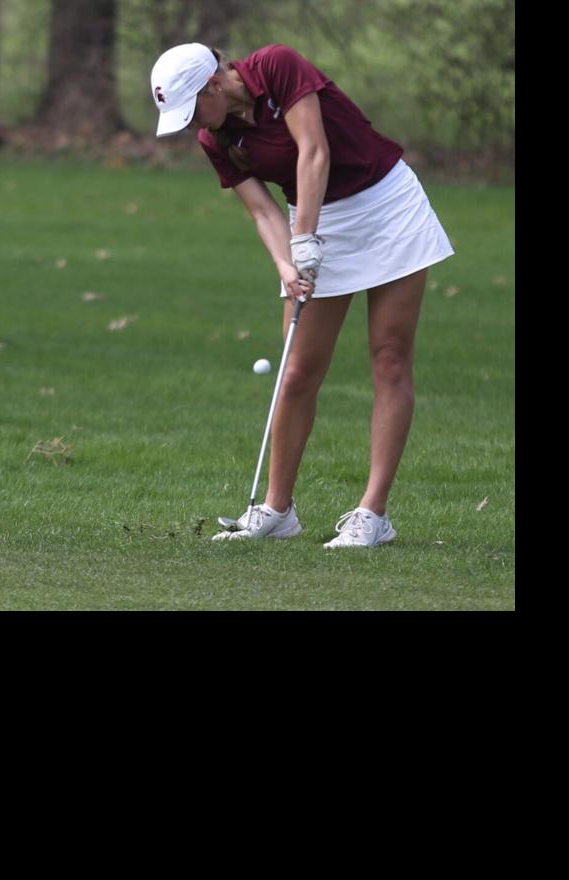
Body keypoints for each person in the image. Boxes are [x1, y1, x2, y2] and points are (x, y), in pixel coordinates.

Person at [150, 42, 454, 548]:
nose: (190, 126)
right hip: (312, 222)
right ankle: (277, 509)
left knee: (390, 359)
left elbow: (315, 150)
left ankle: (372, 514)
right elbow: (264, 211)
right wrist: (287, 263)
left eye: (191, 110)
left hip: (386, 206)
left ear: (213, 85)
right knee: (296, 372)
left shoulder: (277, 65)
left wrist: (305, 236)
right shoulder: (214, 137)